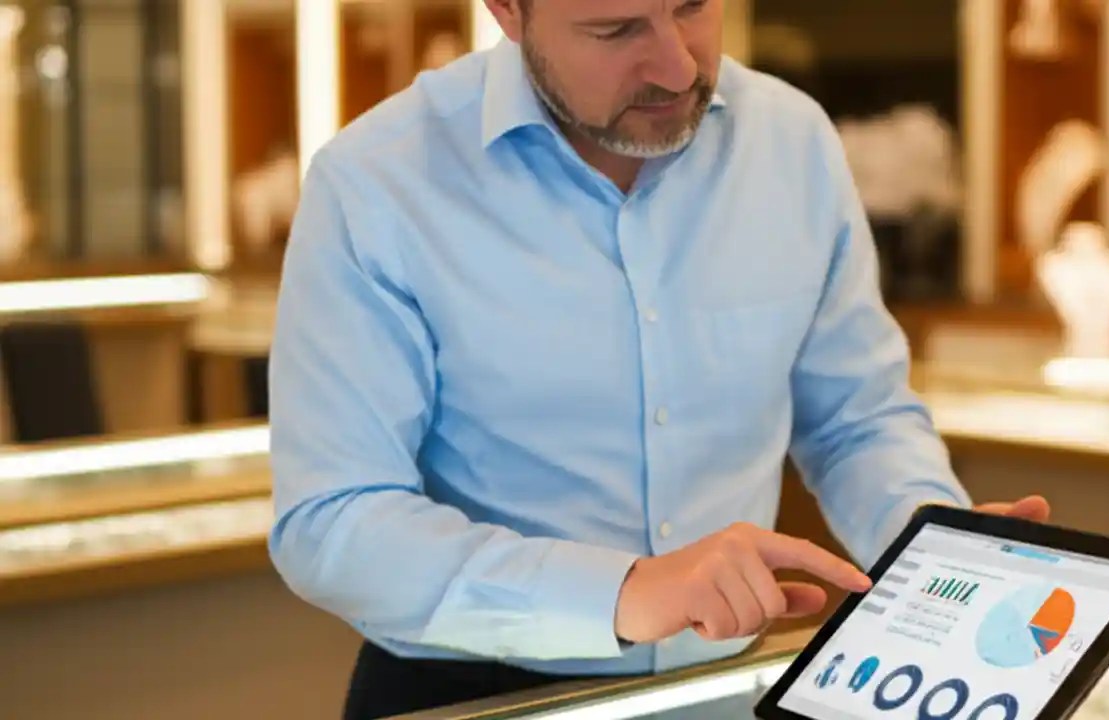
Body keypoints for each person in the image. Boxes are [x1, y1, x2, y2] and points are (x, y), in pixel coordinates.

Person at [267, 1, 1051, 718]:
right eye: (617, 30)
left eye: (692, 8)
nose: (678, 68)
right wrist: (623, 592)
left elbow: (857, 419)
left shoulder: (793, 141)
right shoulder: (376, 183)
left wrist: (933, 539)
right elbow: (331, 520)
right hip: (470, 695)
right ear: (507, 11)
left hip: (727, 690)